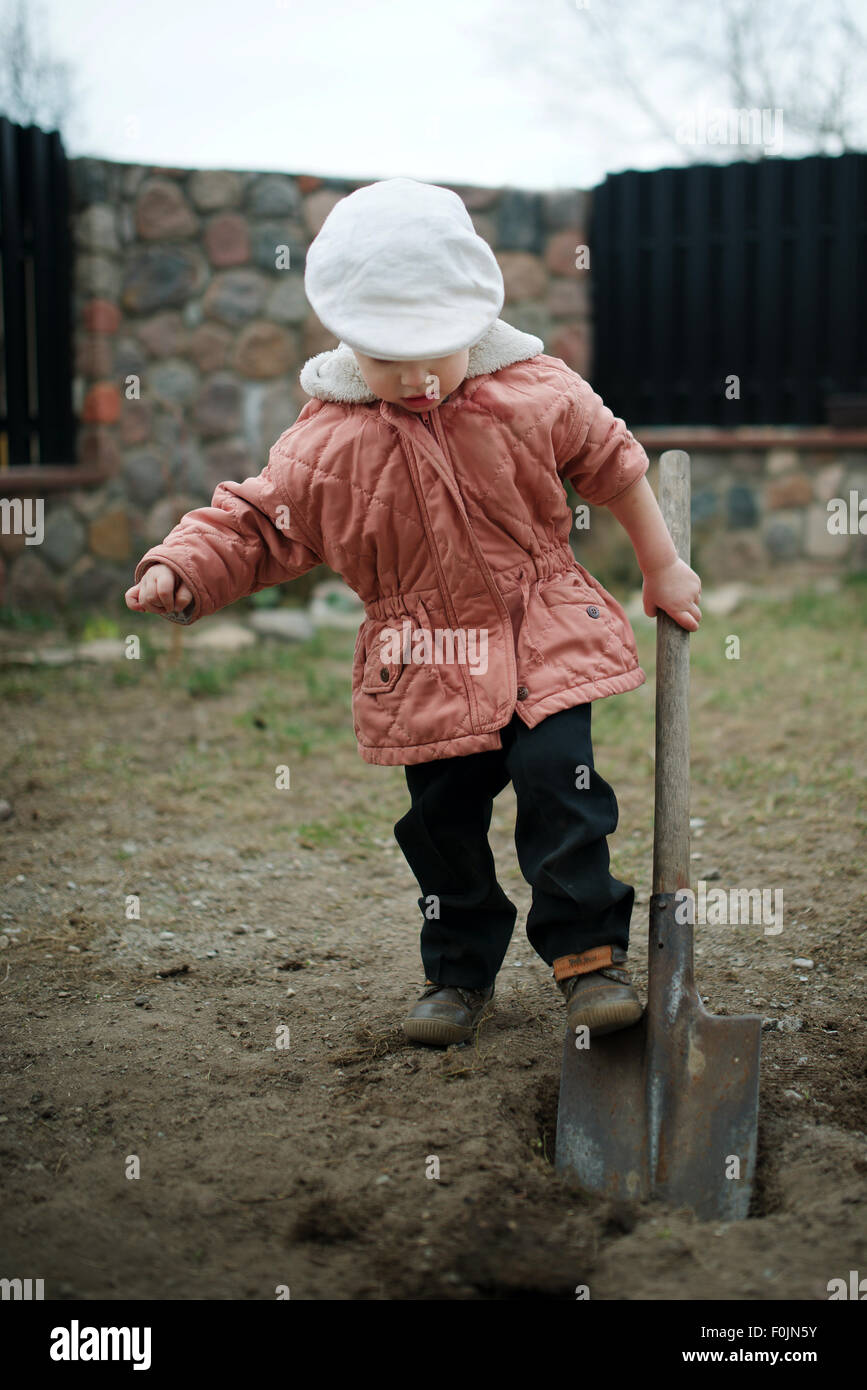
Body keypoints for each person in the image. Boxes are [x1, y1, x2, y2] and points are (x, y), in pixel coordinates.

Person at [125, 177, 702, 1048]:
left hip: (539, 635)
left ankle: (588, 960)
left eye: (438, 352)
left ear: (473, 322)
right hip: (424, 664)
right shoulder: (324, 440)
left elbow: (614, 463)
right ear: (349, 341)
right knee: (439, 827)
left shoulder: (535, 391)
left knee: (563, 789)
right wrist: (184, 566)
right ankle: (457, 976)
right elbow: (253, 521)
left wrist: (661, 565)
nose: (421, 379)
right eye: (392, 361)